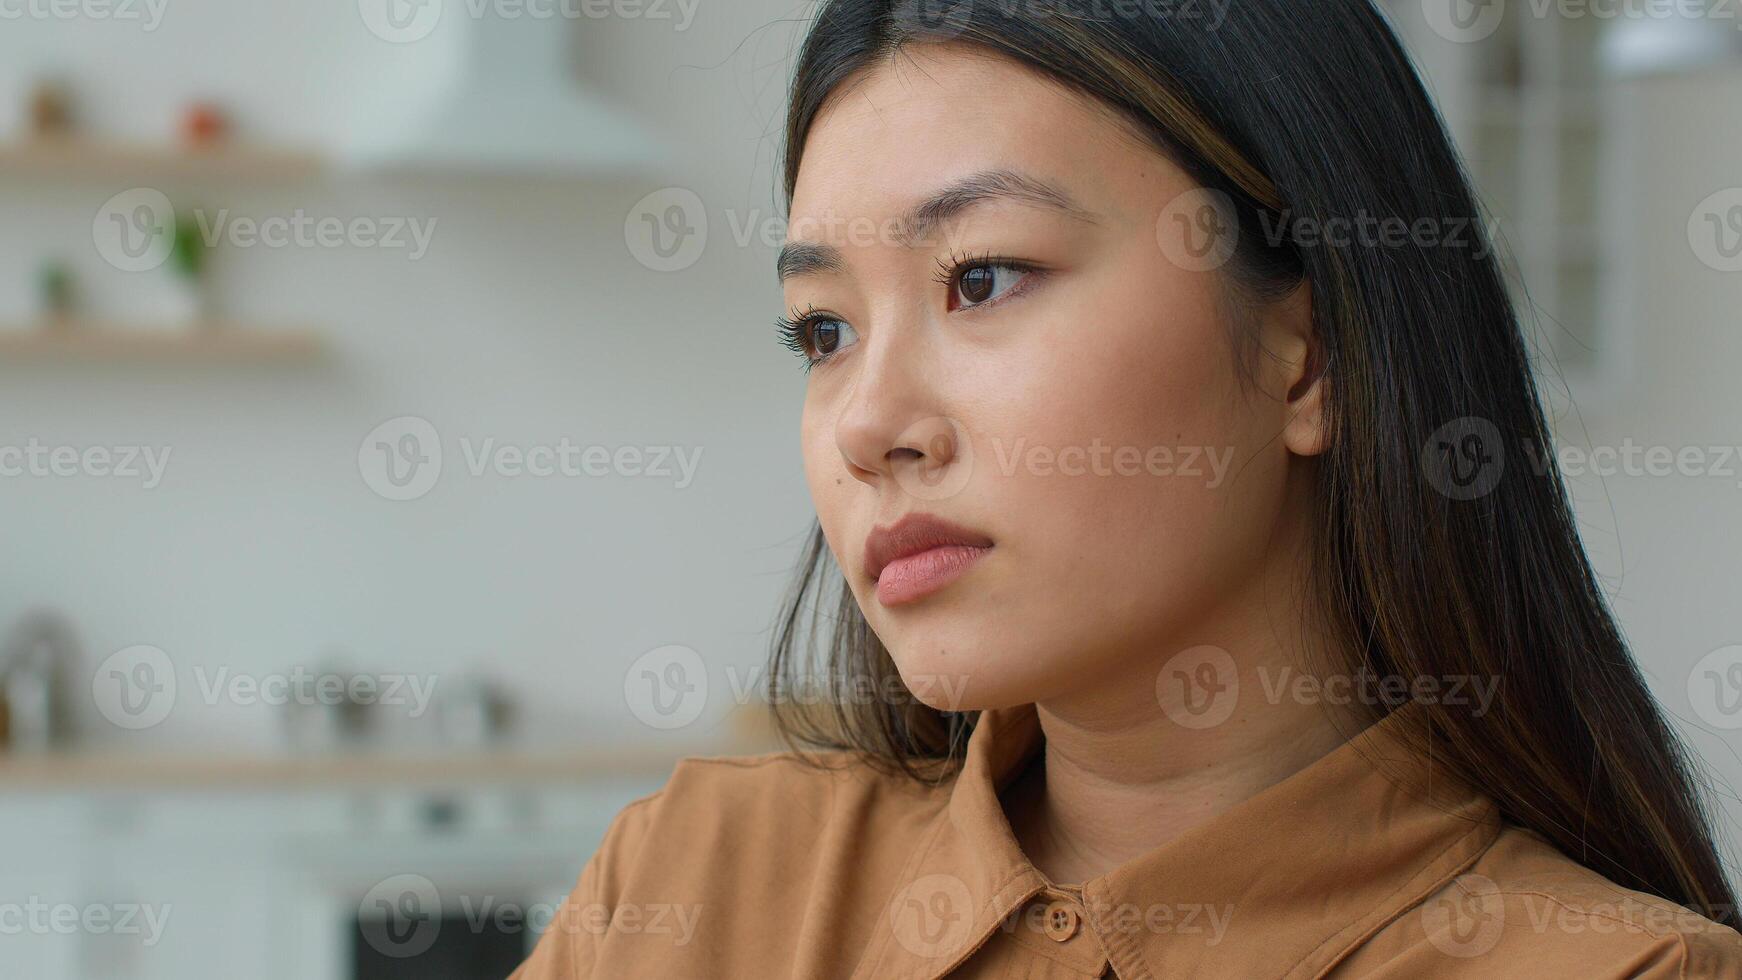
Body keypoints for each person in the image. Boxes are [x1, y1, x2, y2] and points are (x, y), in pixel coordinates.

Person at [514, 1, 1742, 975]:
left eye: (981, 277)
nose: (869, 425)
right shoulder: (697, 889)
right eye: (820, 333)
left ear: (1305, 355)